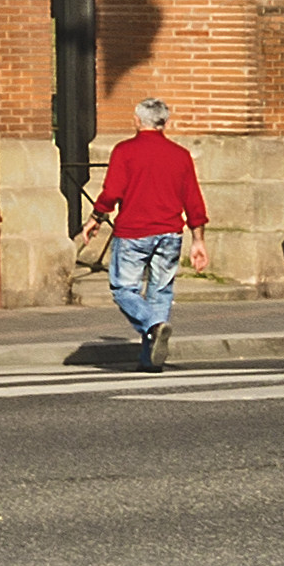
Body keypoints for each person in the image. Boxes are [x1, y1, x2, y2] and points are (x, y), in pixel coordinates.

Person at [80, 93, 207, 370]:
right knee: (160, 291)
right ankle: (150, 358)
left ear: (137, 121)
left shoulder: (125, 151)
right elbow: (194, 200)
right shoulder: (180, 155)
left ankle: (152, 325)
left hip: (133, 231)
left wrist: (96, 217)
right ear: (165, 123)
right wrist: (198, 240)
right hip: (170, 232)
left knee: (124, 288)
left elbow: (112, 192)